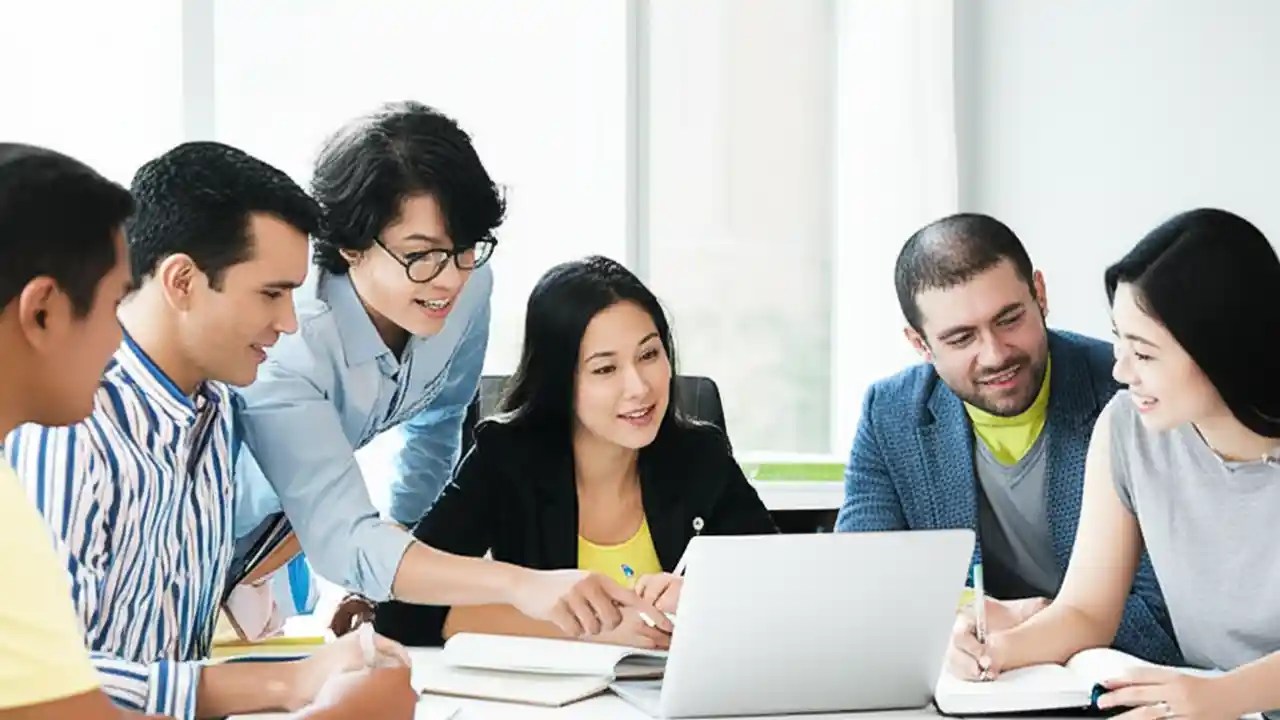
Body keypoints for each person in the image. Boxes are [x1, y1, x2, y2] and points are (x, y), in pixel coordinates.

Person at [0, 142, 414, 720]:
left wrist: (301, 680)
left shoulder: (214, 411)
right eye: (272, 293)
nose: (289, 322)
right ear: (182, 282)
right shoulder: (65, 426)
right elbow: (57, 688)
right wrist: (289, 689)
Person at [231, 101, 665, 638]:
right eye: (422, 255)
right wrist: (520, 585)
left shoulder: (465, 288)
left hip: (284, 546)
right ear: (349, 245)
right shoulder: (295, 346)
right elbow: (347, 542)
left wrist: (412, 557)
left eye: (464, 248)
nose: (450, 279)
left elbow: (437, 425)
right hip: (216, 551)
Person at [946, 208, 1280, 719]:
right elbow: (1085, 611)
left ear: (1220, 350)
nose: (1121, 369)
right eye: (1118, 339)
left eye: (1144, 354)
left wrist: (1224, 697)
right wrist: (994, 649)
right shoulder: (1127, 429)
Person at [373, 256, 777, 647]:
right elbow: (402, 613)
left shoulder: (700, 456)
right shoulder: (506, 460)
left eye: (649, 354)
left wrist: (702, 600)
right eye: (605, 369)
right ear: (560, 381)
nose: (639, 387)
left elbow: (783, 591)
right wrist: (586, 629)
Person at [836, 213, 1179, 664]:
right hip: (971, 686)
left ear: (1040, 294)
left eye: (1010, 319)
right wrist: (982, 619)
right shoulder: (890, 413)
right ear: (920, 344)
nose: (995, 355)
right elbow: (863, 582)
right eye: (961, 338)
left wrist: (1041, 625)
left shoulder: (1133, 395)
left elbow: (1166, 616)